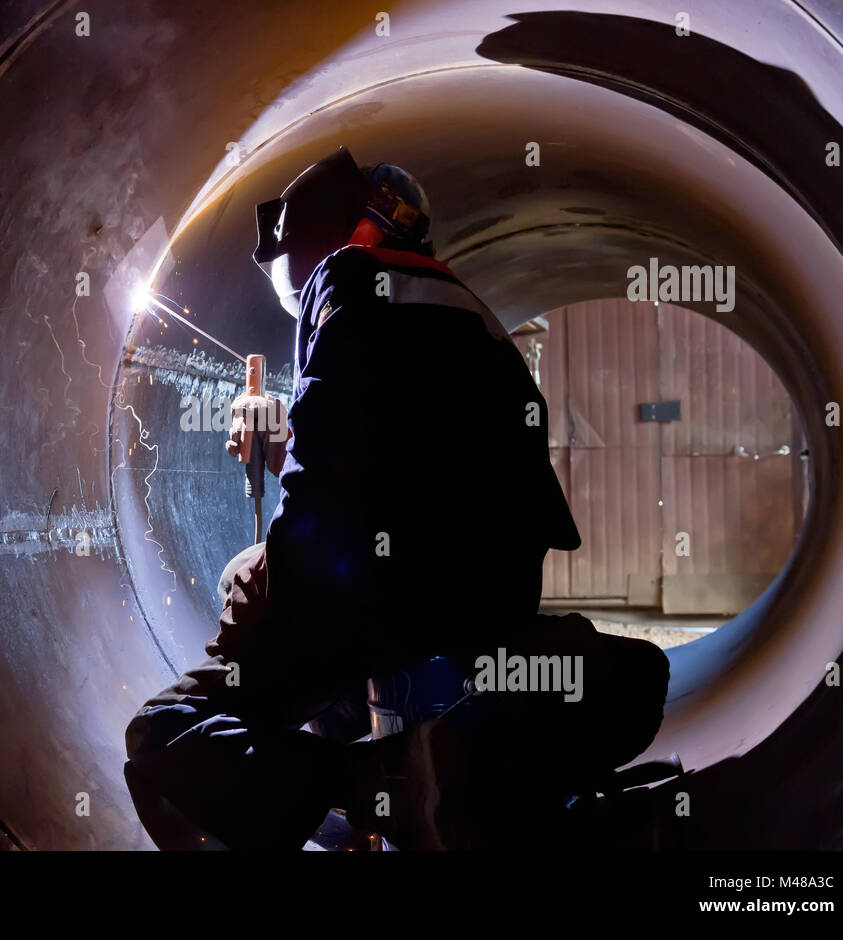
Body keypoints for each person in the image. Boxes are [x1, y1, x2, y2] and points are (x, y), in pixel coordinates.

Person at [123, 147, 667, 850]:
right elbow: (453, 468)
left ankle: (373, 783)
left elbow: (337, 473)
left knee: (163, 732)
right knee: (633, 677)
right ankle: (439, 769)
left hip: (360, 608)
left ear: (308, 240)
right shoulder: (472, 311)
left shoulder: (343, 277)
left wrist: (272, 578)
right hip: (476, 607)